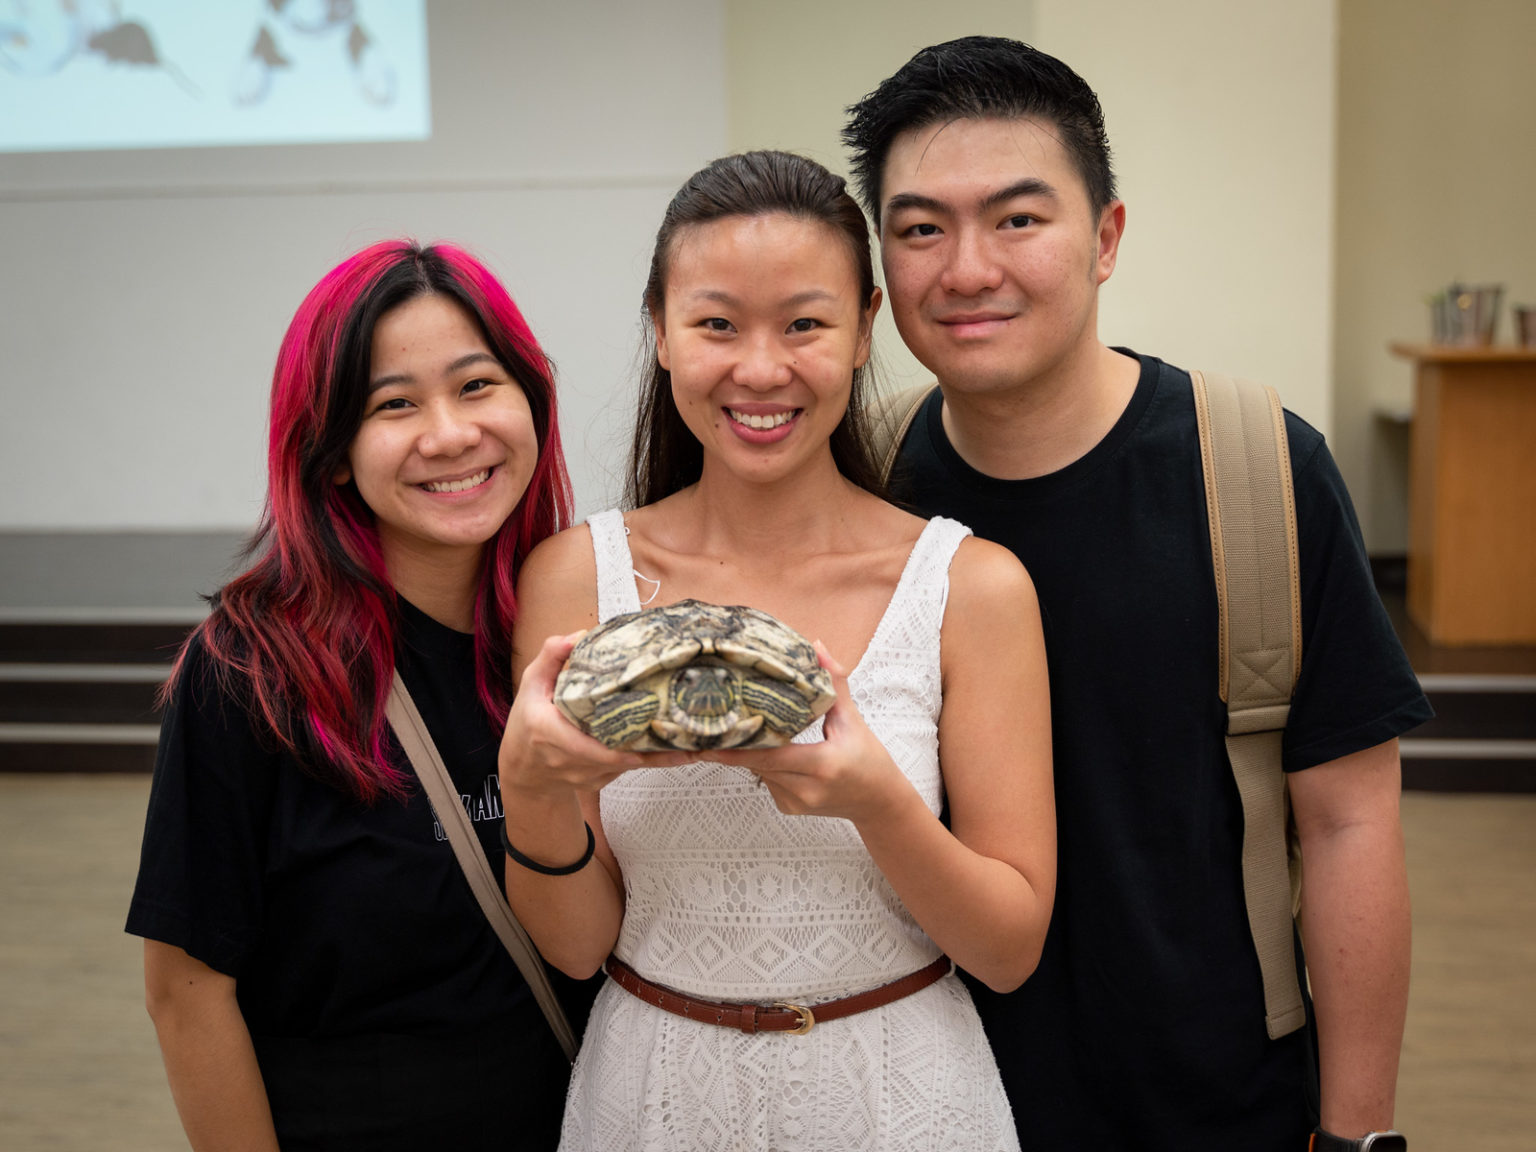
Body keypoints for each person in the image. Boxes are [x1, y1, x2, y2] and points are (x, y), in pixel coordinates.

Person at [841, 35, 1434, 1152]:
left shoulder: (1255, 471)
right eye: (921, 228)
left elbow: (1350, 822)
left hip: (1215, 1105)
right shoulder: (860, 490)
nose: (967, 269)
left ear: (1106, 237)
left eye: (1019, 219)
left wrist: (1359, 1137)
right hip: (923, 1102)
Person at [496, 150, 1054, 1152]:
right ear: (661, 333)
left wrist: (873, 798)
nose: (760, 369)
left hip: (901, 1097)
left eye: (804, 323)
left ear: (863, 331)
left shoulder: (971, 587)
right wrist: (532, 784)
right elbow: (577, 947)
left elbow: (1010, 949)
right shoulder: (577, 578)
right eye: (717, 324)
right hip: (654, 1093)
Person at [126, 240, 591, 1150]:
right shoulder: (252, 673)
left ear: (532, 404)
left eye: (477, 386)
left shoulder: (578, 634)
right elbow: (186, 994)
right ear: (332, 453)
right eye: (395, 405)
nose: (450, 435)